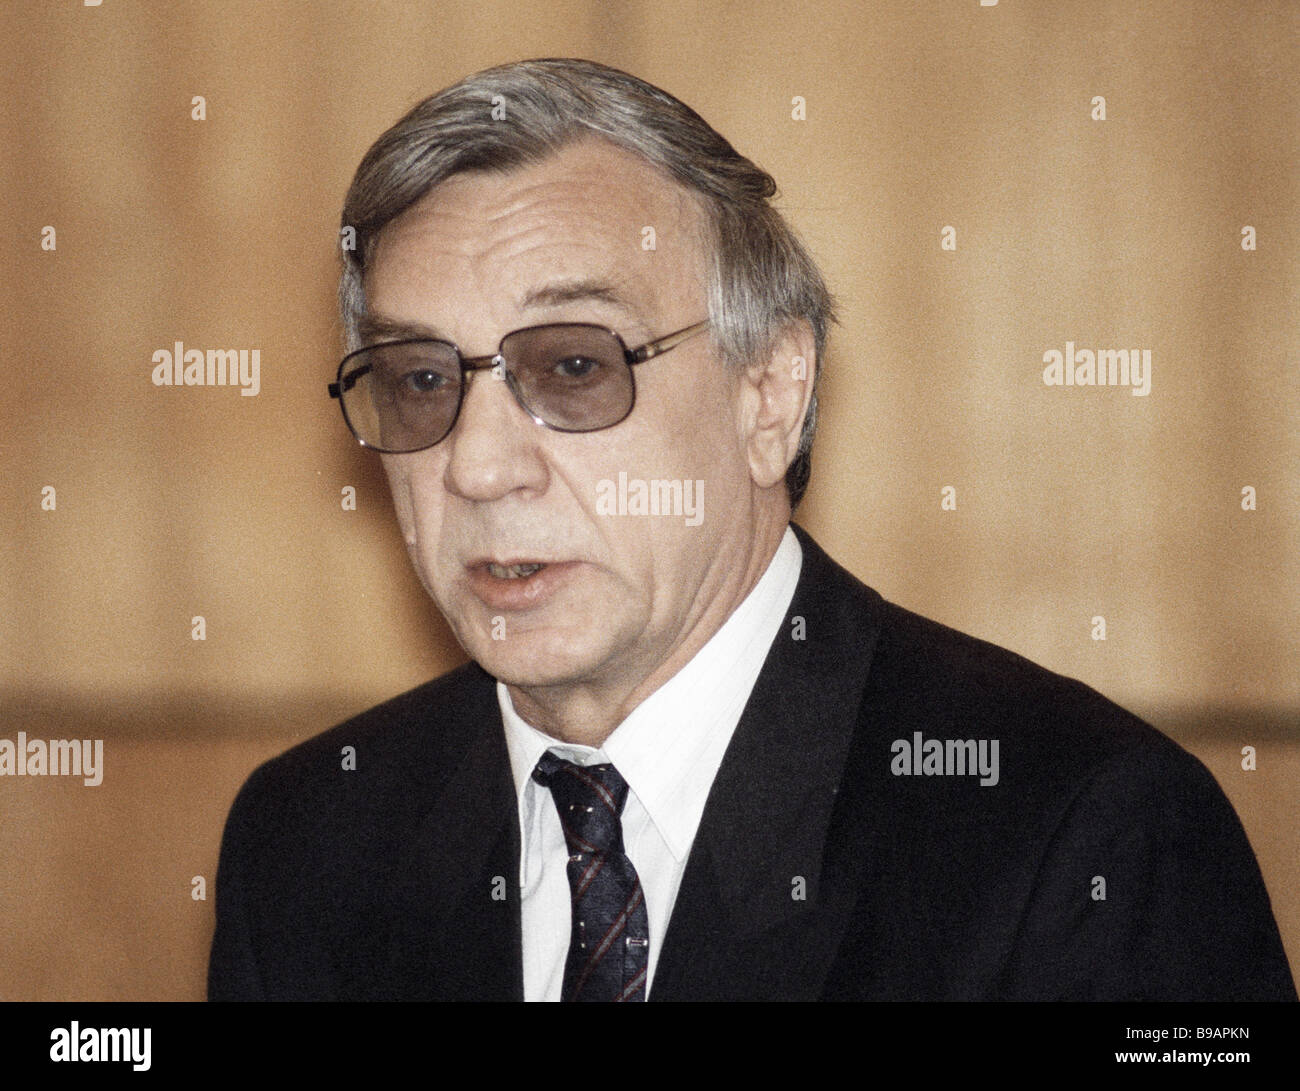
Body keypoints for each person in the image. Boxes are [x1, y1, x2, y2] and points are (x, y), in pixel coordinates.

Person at [208, 58, 1295, 1002]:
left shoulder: (1079, 835)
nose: (480, 465)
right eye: (418, 378)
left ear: (768, 395)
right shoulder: (311, 837)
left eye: (575, 366)